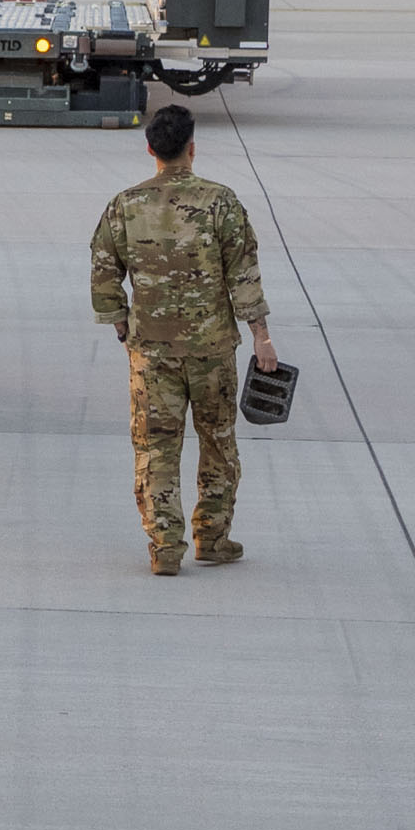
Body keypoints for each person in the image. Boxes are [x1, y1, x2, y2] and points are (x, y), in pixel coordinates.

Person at [89, 104, 278, 575]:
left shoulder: (125, 205)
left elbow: (103, 269)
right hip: (213, 351)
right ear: (192, 149)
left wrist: (119, 322)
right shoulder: (221, 202)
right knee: (218, 444)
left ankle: (165, 547)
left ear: (151, 149)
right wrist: (262, 338)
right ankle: (212, 539)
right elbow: (245, 275)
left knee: (156, 449)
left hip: (151, 354)